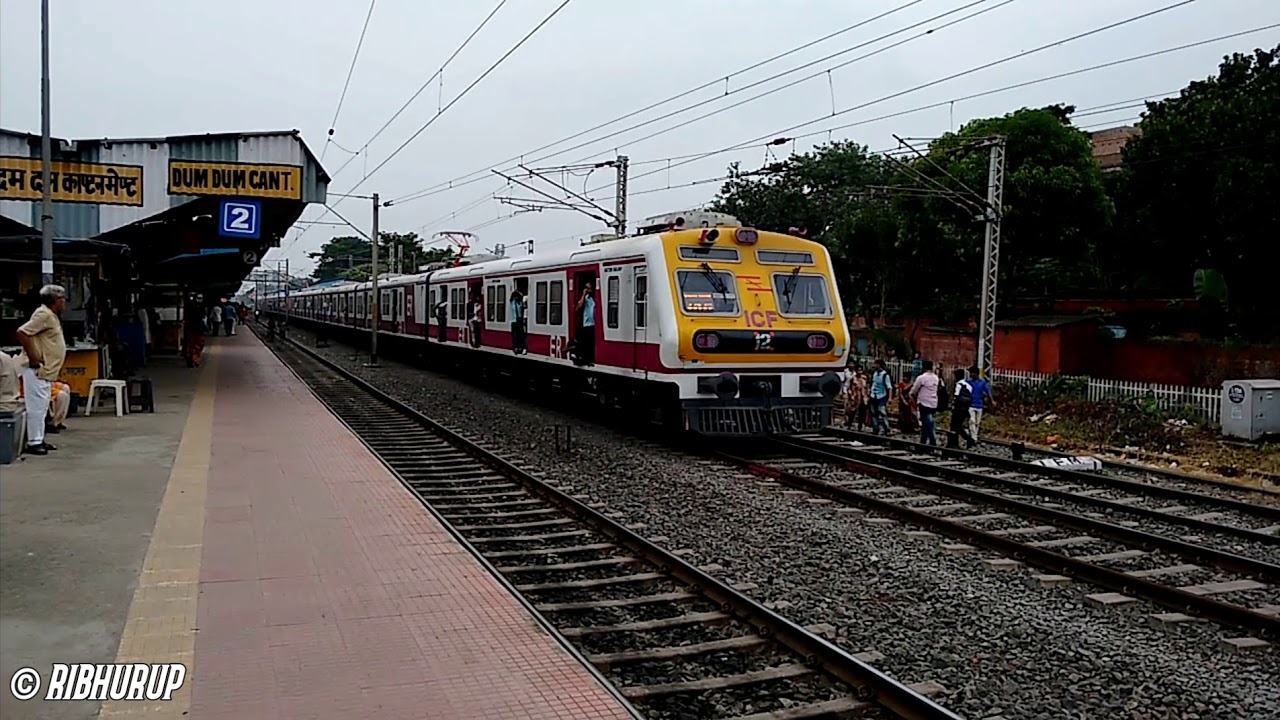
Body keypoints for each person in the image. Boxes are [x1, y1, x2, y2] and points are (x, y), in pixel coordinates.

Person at [15, 284, 68, 456]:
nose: (64, 302)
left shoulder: (50, 315)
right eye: (62, 299)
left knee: (43, 405)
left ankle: (39, 438)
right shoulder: (43, 314)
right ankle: (34, 441)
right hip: (38, 369)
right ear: (56, 300)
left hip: (46, 371)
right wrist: (33, 358)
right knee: (36, 407)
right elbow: (23, 332)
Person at [909, 359, 940, 446]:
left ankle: (932, 442)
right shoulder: (936, 378)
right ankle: (923, 441)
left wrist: (911, 395)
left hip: (924, 403)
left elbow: (914, 390)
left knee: (928, 423)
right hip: (934, 403)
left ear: (923, 367)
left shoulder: (921, 378)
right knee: (926, 423)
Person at [948, 368, 975, 448]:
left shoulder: (958, 385)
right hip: (965, 409)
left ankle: (956, 442)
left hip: (958, 408)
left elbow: (956, 397)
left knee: (954, 426)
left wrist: (952, 407)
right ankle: (968, 440)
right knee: (959, 425)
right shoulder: (969, 386)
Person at [967, 366, 993, 443]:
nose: (970, 375)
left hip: (979, 405)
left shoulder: (983, 383)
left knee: (977, 422)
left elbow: (988, 391)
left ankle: (974, 435)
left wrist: (991, 400)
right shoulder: (969, 382)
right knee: (972, 421)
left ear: (975, 373)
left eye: (971, 373)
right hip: (971, 404)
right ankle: (974, 438)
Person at [868, 359, 893, 434]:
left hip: (881, 396)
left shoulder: (885, 375)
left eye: (876, 364)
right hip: (873, 395)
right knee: (873, 413)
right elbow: (872, 383)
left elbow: (889, 387)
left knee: (882, 412)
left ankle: (887, 428)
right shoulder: (874, 373)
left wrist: (890, 398)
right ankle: (875, 429)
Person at [575, 281, 597, 366]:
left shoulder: (595, 298)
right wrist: (584, 295)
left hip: (594, 323)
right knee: (587, 343)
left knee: (592, 343)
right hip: (587, 324)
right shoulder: (586, 298)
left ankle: (591, 358)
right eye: (587, 288)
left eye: (590, 288)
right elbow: (579, 306)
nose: (589, 290)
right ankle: (585, 359)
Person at [184, 298, 208, 368]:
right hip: (199, 332)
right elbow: (203, 323)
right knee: (198, 347)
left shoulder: (189, 315)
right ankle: (196, 360)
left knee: (191, 347)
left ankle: (191, 359)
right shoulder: (200, 316)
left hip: (191, 331)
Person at [509, 289, 528, 355]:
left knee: (521, 335)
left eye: (517, 296)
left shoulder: (520, 303)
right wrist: (515, 291)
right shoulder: (512, 302)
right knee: (515, 336)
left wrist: (519, 293)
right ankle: (515, 348)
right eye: (515, 296)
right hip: (514, 321)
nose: (516, 297)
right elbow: (512, 296)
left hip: (520, 320)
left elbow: (522, 296)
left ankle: (521, 347)